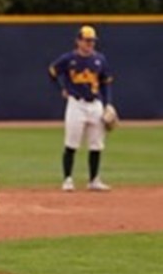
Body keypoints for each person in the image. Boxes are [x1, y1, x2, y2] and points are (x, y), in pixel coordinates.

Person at [48, 25, 114, 191]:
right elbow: (52, 71)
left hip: (95, 104)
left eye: (92, 41)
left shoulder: (100, 59)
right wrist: (62, 88)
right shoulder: (69, 59)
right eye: (87, 40)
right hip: (76, 104)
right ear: (78, 41)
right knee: (71, 142)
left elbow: (106, 84)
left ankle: (94, 180)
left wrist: (108, 104)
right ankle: (68, 179)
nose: (90, 44)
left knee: (96, 144)